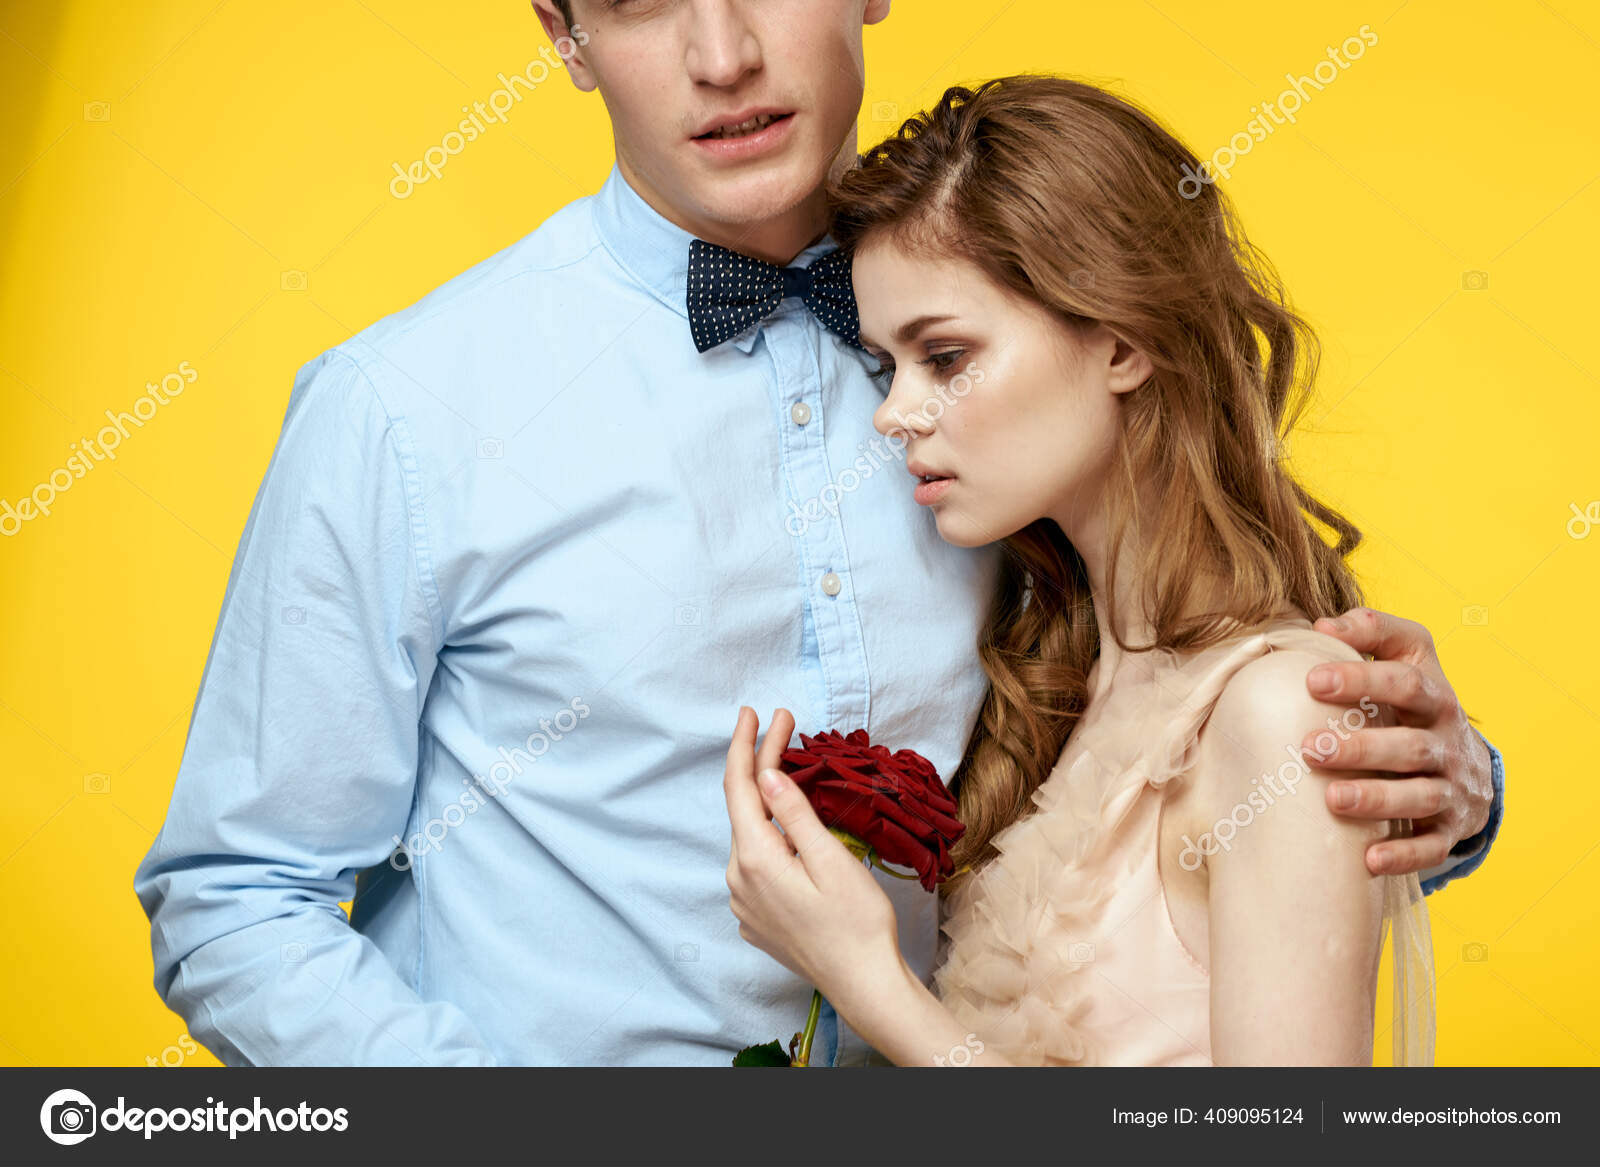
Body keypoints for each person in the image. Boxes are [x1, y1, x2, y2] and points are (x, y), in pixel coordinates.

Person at [136, 2, 1499, 1066]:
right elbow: (234, 900)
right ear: (561, 36)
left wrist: (1434, 777)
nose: (723, 55)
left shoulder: (1010, 315)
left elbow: (1192, 718)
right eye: (642, 0)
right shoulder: (406, 409)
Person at [723, 75, 1472, 1065]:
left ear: (1118, 342)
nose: (892, 414)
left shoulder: (1277, 710)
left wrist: (869, 983)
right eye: (885, 365)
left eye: (944, 357)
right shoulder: (1064, 681)